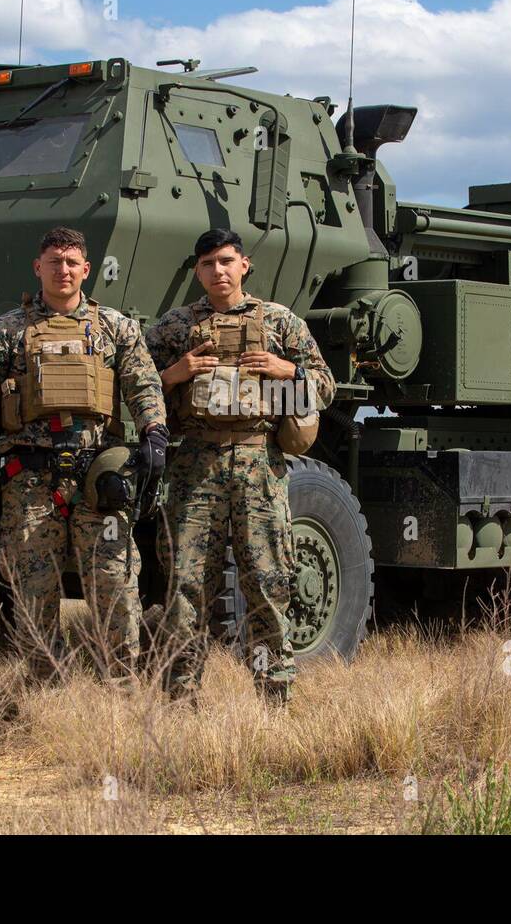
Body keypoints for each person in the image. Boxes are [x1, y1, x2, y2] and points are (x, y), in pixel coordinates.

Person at [0, 226, 167, 680]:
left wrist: (154, 431)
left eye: (72, 262)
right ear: (38, 267)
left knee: (115, 584)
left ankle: (122, 690)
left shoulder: (116, 328)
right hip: (29, 484)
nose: (63, 270)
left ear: (86, 269)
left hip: (100, 482)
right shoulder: (6, 332)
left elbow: (143, 384)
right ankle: (45, 690)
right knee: (32, 592)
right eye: (54, 261)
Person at [145, 228, 335, 704]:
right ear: (197, 271)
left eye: (227, 261)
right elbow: (136, 388)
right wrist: (177, 373)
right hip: (193, 467)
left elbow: (326, 388)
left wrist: (285, 370)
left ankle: (275, 697)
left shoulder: (279, 322)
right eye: (208, 264)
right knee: (186, 585)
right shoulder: (174, 326)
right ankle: (181, 700)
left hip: (258, 464)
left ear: (244, 265)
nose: (218, 270)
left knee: (268, 582)